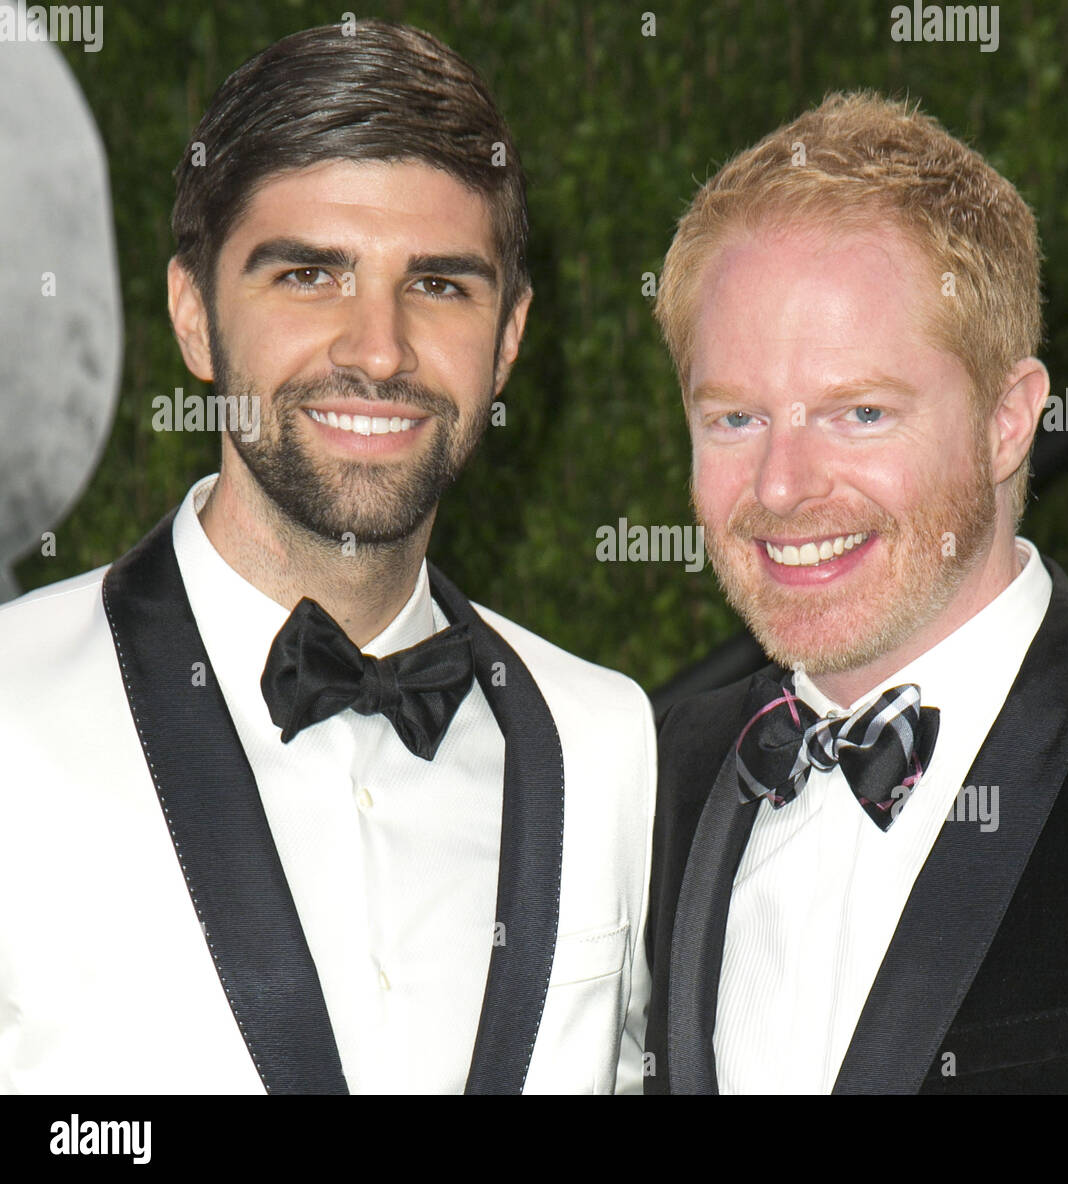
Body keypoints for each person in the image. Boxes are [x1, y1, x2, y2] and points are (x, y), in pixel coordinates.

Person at [0, 20, 653, 1095]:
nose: (379, 351)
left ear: (508, 339)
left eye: (439, 285)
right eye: (310, 275)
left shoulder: (606, 742)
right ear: (194, 317)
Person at [643, 91, 1068, 1094]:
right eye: (735, 418)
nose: (780, 487)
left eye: (860, 412)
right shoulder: (642, 786)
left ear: (1007, 421)